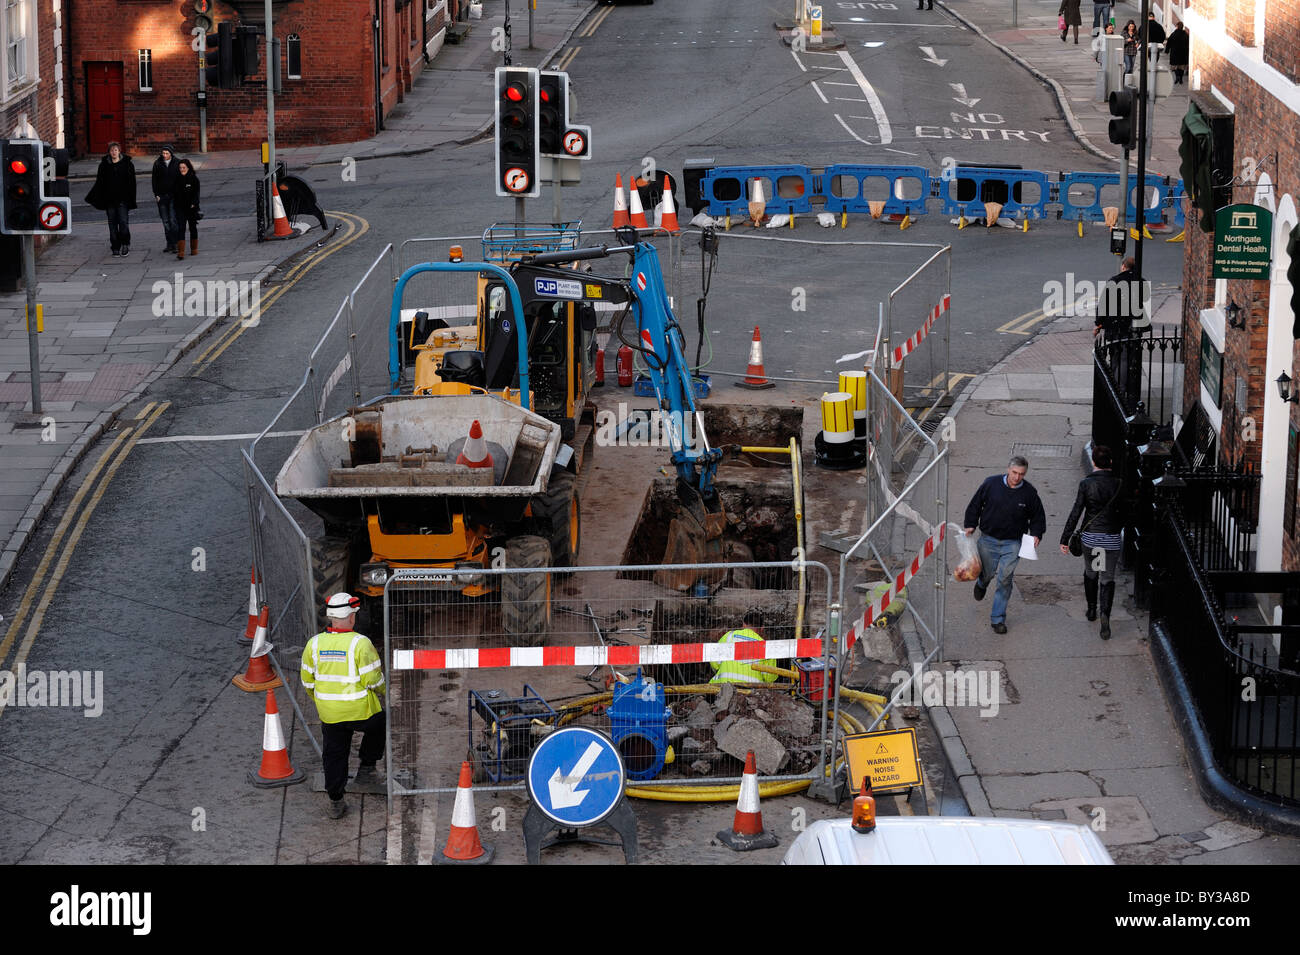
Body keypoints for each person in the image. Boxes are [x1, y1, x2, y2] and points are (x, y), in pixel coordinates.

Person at [301, 592, 386, 819]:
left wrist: (324, 699)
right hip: (361, 711)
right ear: (351, 617)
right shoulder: (361, 643)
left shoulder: (314, 644)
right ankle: (367, 768)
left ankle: (336, 801)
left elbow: (307, 681)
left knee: (334, 754)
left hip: (329, 713)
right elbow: (374, 680)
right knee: (380, 722)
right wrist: (384, 692)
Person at [963, 456, 1046, 634]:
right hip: (988, 539)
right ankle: (982, 583)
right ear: (1008, 470)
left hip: (1013, 543)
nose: (1017, 477)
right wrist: (970, 524)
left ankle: (998, 618)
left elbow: (1038, 516)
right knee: (988, 573)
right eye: (1014, 473)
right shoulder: (991, 484)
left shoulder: (1029, 493)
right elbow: (975, 504)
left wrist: (1037, 534)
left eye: (1021, 474)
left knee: (1005, 578)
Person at [1059, 445, 1124, 639]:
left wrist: (1065, 538)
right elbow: (1125, 512)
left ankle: (1092, 609)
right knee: (1108, 578)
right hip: (1111, 538)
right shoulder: (1119, 483)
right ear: (1110, 462)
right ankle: (1105, 615)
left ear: (1094, 462)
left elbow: (1076, 511)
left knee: (1092, 572)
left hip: (1092, 539)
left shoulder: (1086, 484)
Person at [85, 142, 137, 257]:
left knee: (123, 223)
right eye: (112, 150)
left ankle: (125, 244)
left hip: (123, 200)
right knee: (112, 224)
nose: (114, 152)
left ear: (119, 151)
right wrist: (94, 197)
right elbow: (99, 183)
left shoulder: (128, 164)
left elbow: (132, 184)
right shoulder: (104, 165)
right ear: (109, 152)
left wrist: (131, 199)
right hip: (110, 201)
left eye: (116, 150)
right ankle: (115, 246)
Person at [710, 610, 780, 684]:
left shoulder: (729, 636)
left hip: (724, 685)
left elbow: (714, 663)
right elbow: (770, 677)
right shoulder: (766, 646)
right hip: (753, 690)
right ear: (762, 628)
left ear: (744, 624)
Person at [151, 145, 181, 254]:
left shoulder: (177, 163)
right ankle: (170, 244)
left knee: (173, 220)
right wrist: (156, 194)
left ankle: (177, 243)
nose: (164, 155)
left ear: (171, 153)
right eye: (163, 153)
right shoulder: (157, 164)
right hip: (162, 196)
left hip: (174, 196)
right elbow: (154, 180)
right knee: (166, 221)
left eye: (167, 153)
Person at [171, 158, 201, 260]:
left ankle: (194, 249)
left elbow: (197, 194)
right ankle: (181, 252)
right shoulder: (176, 179)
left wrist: (194, 203)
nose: (182, 169)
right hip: (180, 208)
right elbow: (174, 194)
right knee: (181, 228)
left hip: (191, 207)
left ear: (188, 168)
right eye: (180, 168)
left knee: (193, 227)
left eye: (184, 167)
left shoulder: (193, 179)